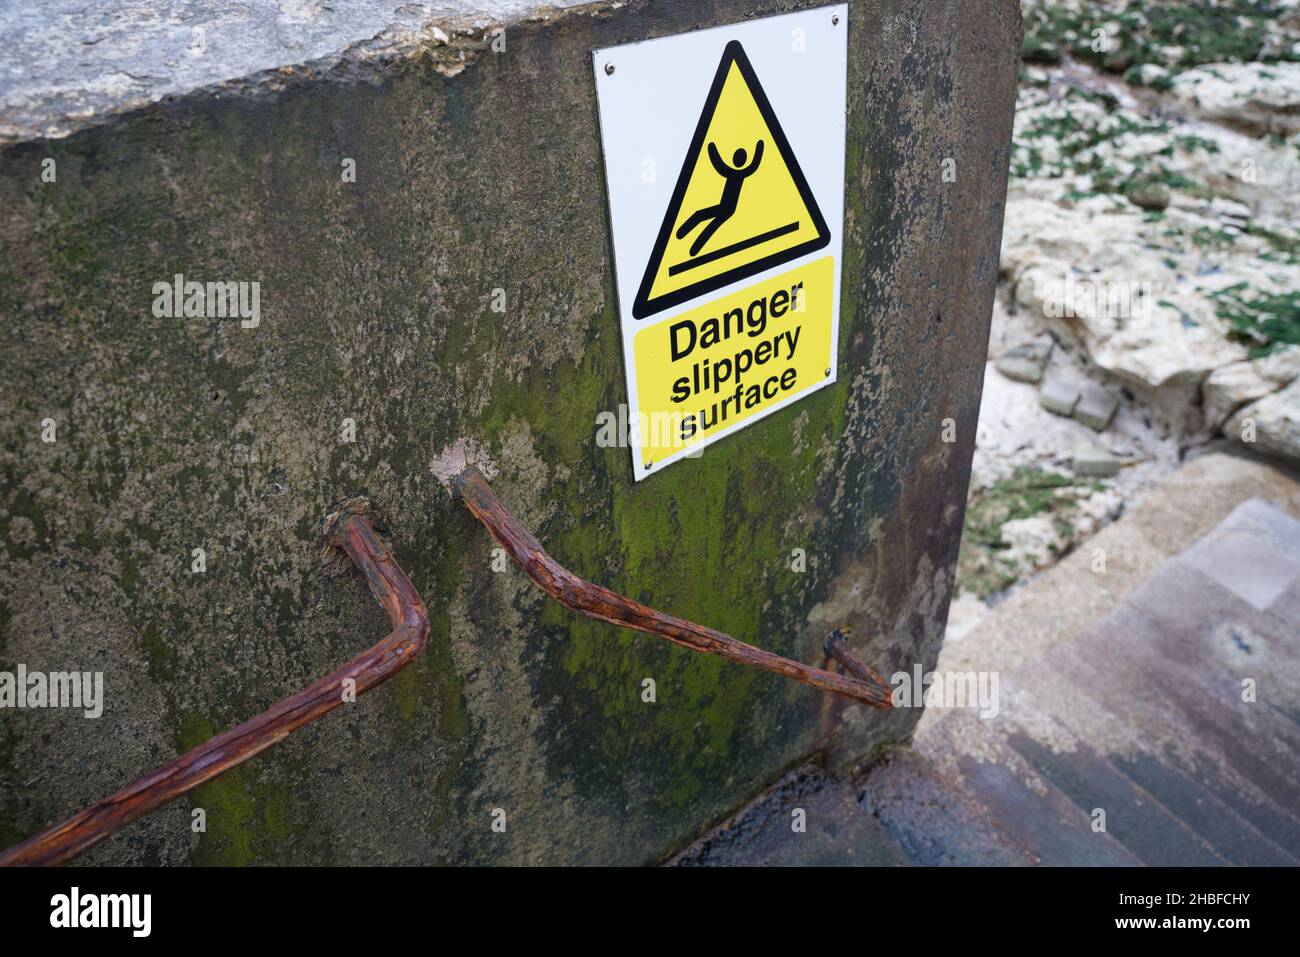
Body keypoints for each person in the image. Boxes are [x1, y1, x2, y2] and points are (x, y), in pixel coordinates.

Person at [675, 140, 764, 256]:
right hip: (727, 207)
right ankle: (687, 241)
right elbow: (753, 165)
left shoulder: (733, 173)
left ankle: (687, 241)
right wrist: (759, 148)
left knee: (704, 219)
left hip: (727, 208)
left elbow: (719, 165)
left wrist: (712, 148)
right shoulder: (740, 173)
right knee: (707, 222)